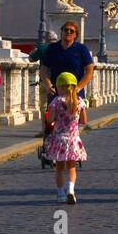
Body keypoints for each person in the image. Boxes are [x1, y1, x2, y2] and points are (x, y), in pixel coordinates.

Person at [48, 72, 88, 203]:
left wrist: (53, 120)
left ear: (60, 87)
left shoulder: (57, 101)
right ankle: (71, 189)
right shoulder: (80, 102)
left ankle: (60, 193)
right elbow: (84, 121)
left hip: (59, 139)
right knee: (72, 167)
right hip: (73, 139)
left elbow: (50, 120)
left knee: (59, 168)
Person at [39, 20, 95, 104]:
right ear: (61, 32)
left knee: (75, 116)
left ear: (75, 35)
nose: (68, 32)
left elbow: (90, 70)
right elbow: (44, 69)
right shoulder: (52, 48)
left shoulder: (82, 49)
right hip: (56, 92)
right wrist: (48, 85)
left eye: (71, 31)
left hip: (75, 92)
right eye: (66, 30)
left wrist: (79, 87)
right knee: (53, 116)